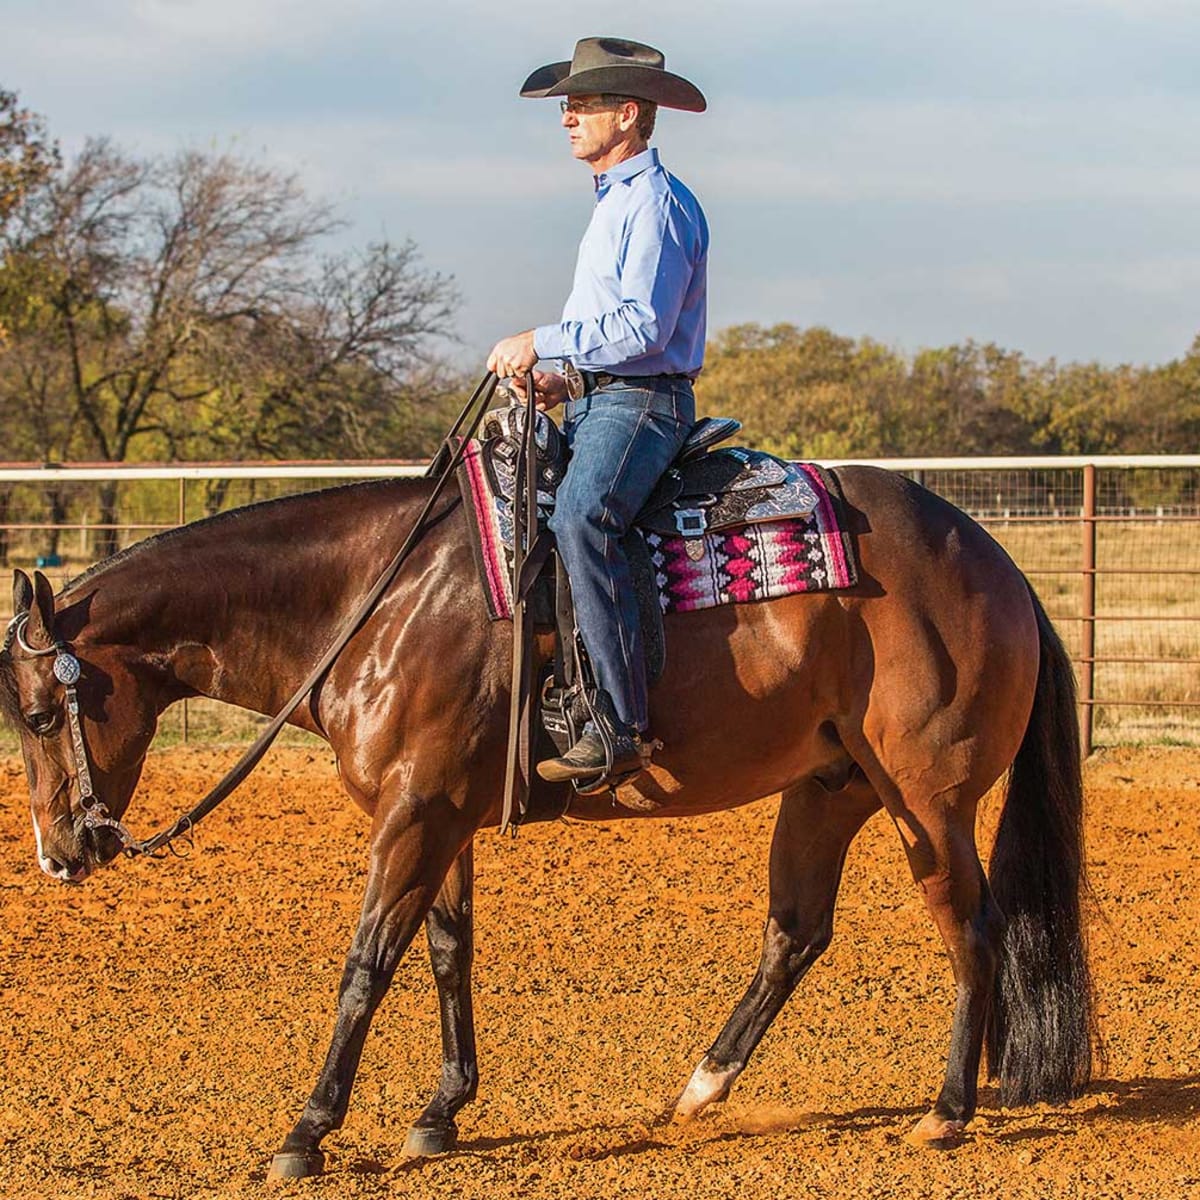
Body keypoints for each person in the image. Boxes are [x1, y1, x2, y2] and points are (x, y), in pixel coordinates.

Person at [487, 36, 708, 785]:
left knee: (583, 517)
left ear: (628, 113)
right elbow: (618, 339)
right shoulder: (617, 203)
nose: (567, 119)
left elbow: (644, 329)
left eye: (581, 106)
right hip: (609, 398)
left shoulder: (655, 205)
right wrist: (566, 382)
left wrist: (540, 339)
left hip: (646, 405)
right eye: (567, 107)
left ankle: (619, 721)